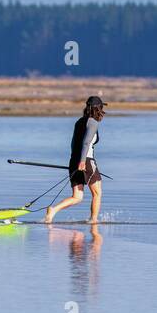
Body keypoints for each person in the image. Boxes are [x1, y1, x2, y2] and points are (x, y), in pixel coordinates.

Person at [44, 95, 105, 224]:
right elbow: (86, 143)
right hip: (86, 161)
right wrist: (82, 161)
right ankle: (93, 221)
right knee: (97, 193)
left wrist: (75, 161)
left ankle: (53, 210)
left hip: (74, 160)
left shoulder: (79, 122)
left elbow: (73, 144)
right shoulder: (93, 122)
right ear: (98, 108)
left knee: (77, 197)